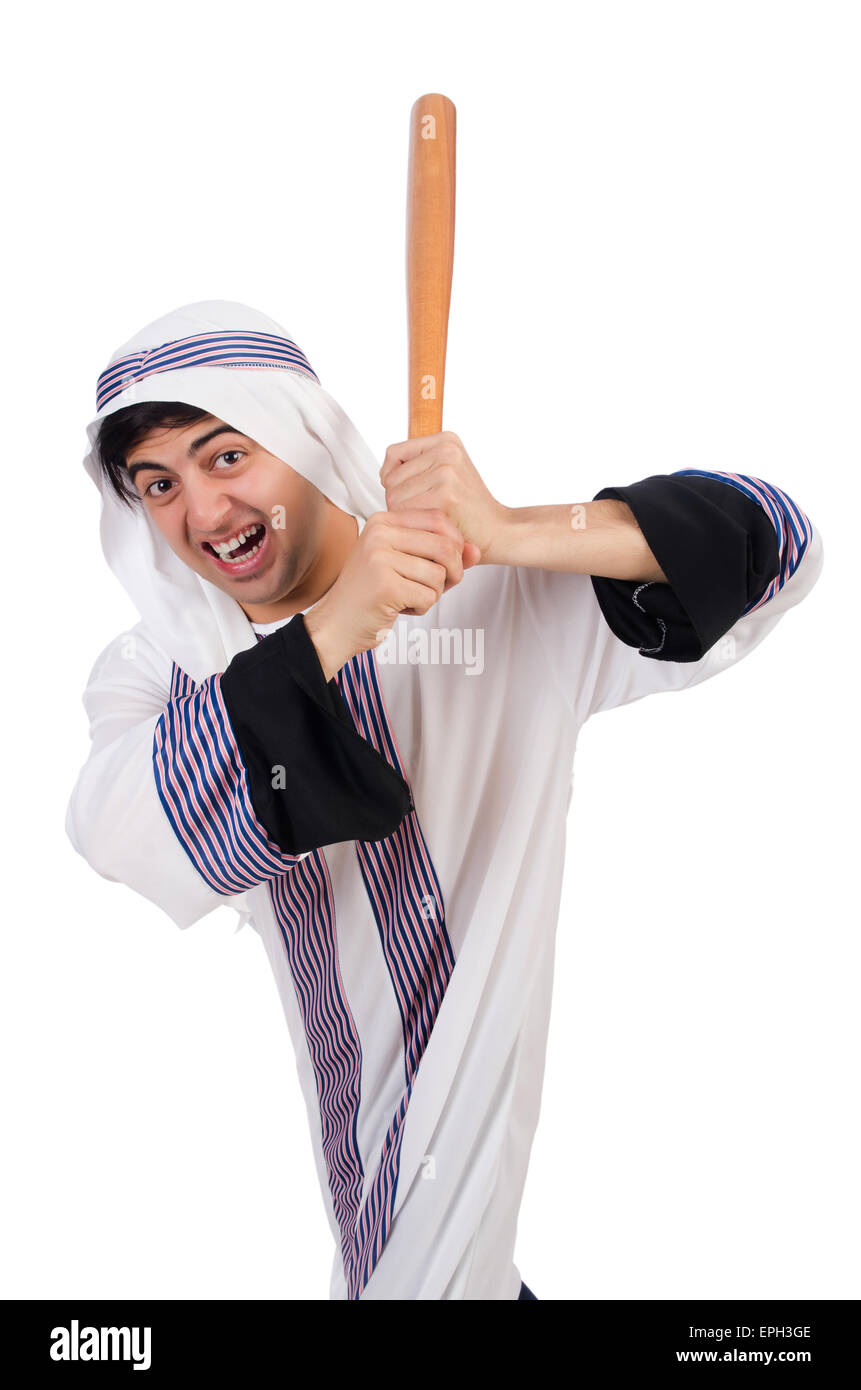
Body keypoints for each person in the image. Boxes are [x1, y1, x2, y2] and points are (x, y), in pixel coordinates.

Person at [65, 298, 824, 1301]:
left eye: (226, 457)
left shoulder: (498, 596)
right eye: (158, 483)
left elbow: (776, 544)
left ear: (298, 436)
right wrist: (340, 623)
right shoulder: (163, 675)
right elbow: (118, 828)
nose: (201, 513)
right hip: (376, 1228)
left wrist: (513, 530)